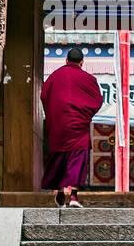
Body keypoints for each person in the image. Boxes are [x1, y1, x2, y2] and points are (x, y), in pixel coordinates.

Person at [40, 47, 104, 208]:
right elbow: (97, 101)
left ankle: (60, 192)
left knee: (58, 158)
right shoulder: (88, 79)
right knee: (78, 157)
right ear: (82, 62)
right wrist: (84, 116)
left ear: (66, 61)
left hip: (59, 126)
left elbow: (44, 96)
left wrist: (54, 116)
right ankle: (74, 196)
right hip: (78, 126)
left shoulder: (54, 77)